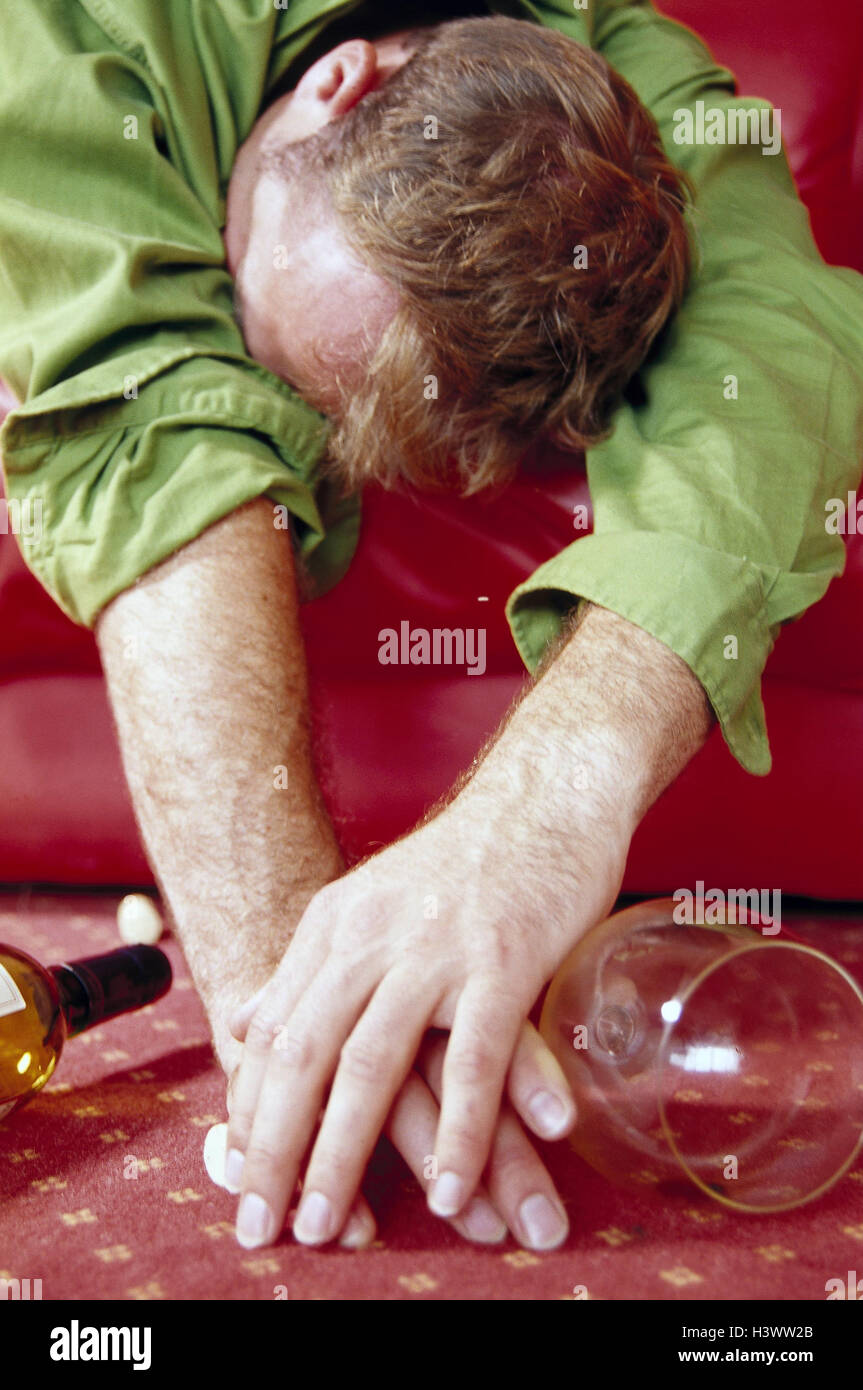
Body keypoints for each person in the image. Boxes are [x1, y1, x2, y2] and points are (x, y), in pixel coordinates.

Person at [1, 0, 861, 1255]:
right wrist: (285, 1007)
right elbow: (156, 434)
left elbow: (777, 361)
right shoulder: (80, 30)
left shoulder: (651, 108)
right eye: (249, 302)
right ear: (337, 84)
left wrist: (548, 807)